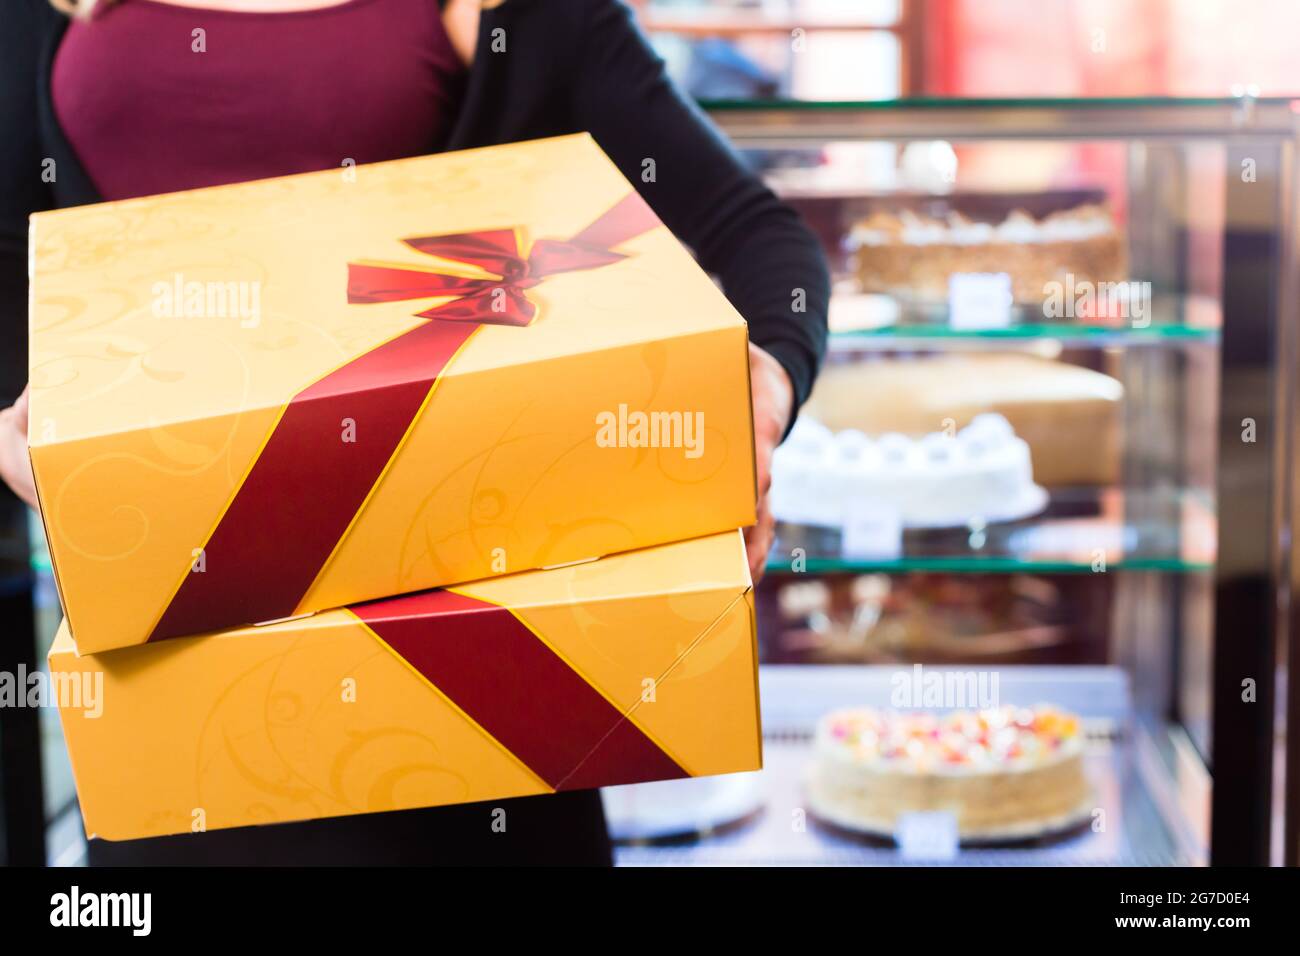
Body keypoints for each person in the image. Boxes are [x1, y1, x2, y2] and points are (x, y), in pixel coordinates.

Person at [0, 0, 829, 865]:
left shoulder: (524, 15)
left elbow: (757, 233)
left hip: (467, 697)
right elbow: (7, 255)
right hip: (163, 659)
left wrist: (762, 393)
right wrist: (19, 423)